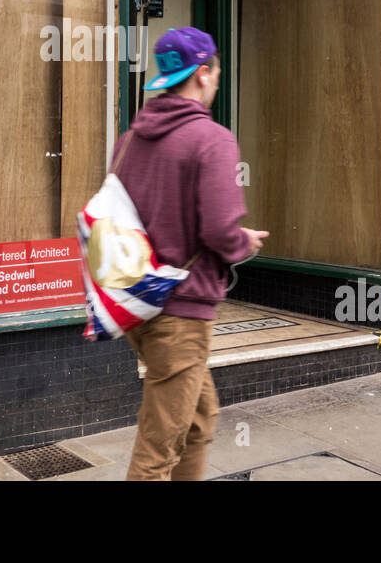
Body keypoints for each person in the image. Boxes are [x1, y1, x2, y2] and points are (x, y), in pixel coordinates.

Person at [114, 26, 268, 481]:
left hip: (138, 301)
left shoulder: (130, 141)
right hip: (181, 313)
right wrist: (246, 242)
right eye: (215, 71)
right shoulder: (211, 139)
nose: (216, 81)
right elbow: (221, 231)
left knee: (199, 421)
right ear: (202, 73)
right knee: (159, 446)